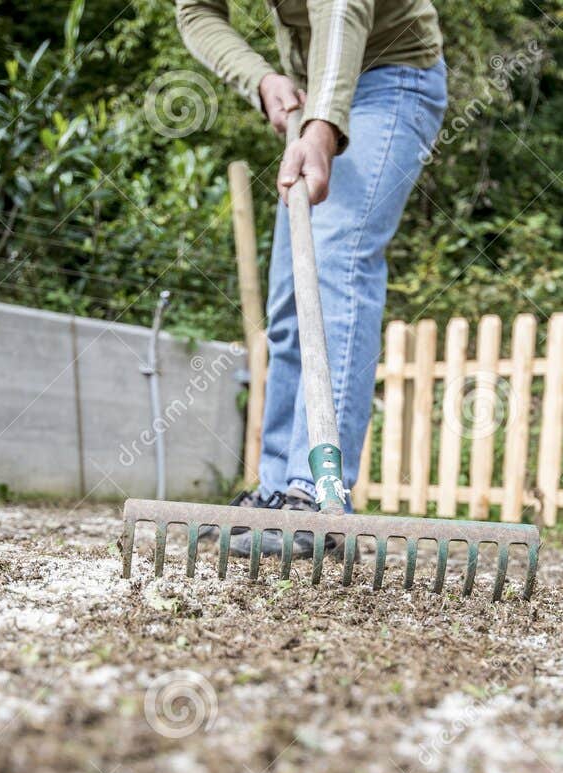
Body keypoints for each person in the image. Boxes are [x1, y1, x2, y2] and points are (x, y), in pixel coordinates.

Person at [175, 0, 446, 556]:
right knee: (289, 297)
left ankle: (318, 491)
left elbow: (341, 7)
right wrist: (262, 78)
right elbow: (197, 11)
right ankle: (278, 491)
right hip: (312, 82)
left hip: (393, 76)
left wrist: (323, 126)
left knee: (334, 264)